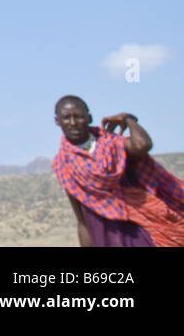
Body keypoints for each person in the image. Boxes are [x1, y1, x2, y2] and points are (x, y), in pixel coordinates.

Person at [52, 95, 184, 247]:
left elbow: (142, 145)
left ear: (89, 118)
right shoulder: (63, 164)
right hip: (104, 234)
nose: (73, 123)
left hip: (139, 225)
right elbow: (82, 220)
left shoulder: (110, 143)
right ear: (57, 121)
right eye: (67, 118)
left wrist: (128, 119)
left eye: (79, 117)